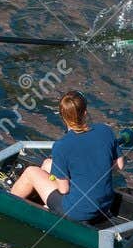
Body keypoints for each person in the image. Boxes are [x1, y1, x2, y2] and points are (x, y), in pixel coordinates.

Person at [11, 91, 124, 221]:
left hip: (78, 211)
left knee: (31, 172)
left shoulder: (61, 146)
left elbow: (64, 190)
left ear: (63, 117)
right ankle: (40, 196)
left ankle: (7, 201)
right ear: (85, 112)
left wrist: (56, 179)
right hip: (105, 204)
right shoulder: (105, 130)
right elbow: (119, 165)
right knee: (48, 164)